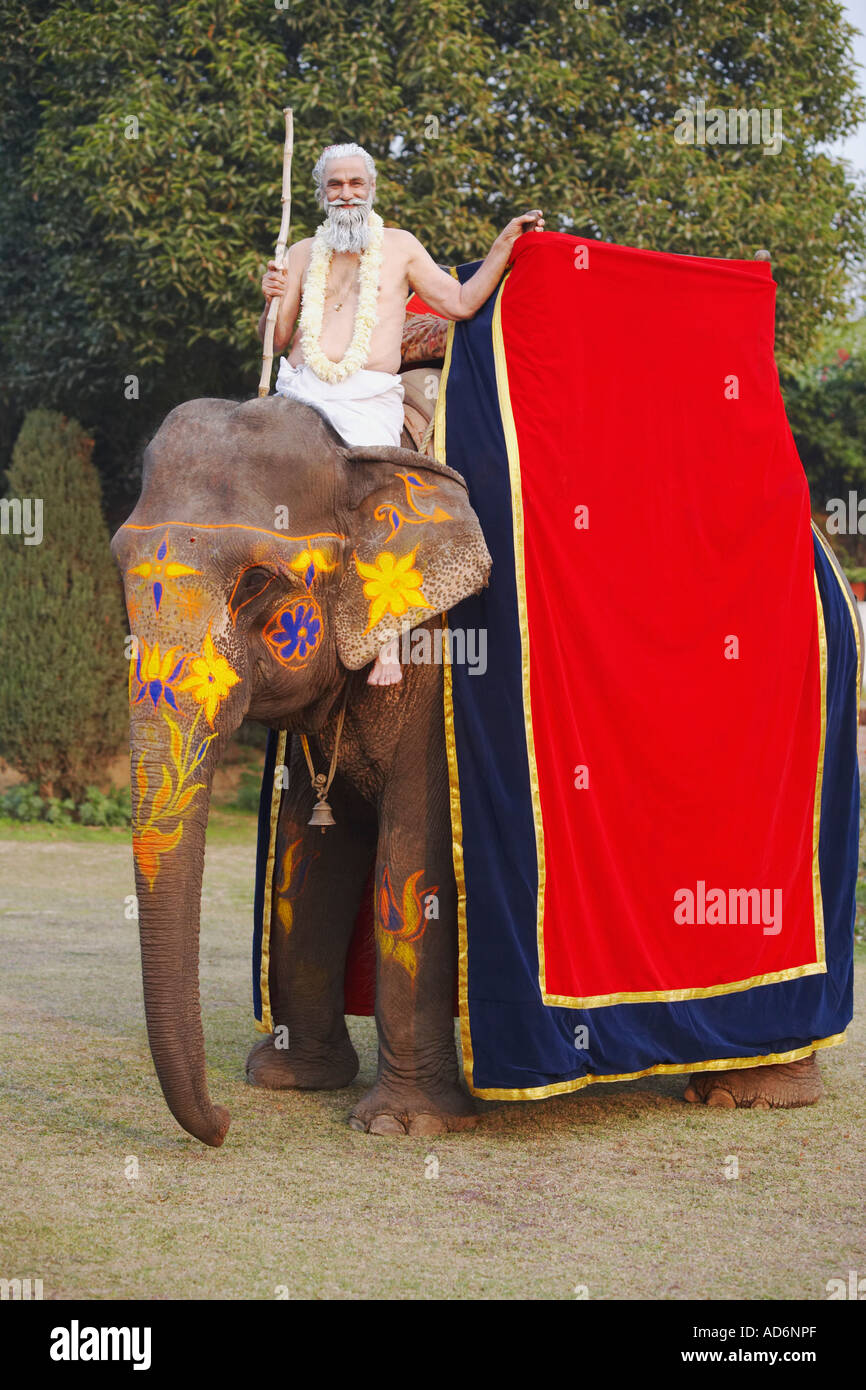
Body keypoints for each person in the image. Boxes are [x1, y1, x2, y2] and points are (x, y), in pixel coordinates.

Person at [257, 141, 544, 684]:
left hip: (368, 396)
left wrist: (503, 245)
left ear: (371, 190)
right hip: (300, 391)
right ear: (321, 194)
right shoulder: (299, 254)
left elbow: (460, 304)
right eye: (335, 185)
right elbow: (273, 342)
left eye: (355, 184)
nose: (346, 195)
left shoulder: (401, 247)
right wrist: (269, 300)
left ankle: (384, 634)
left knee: (380, 501)